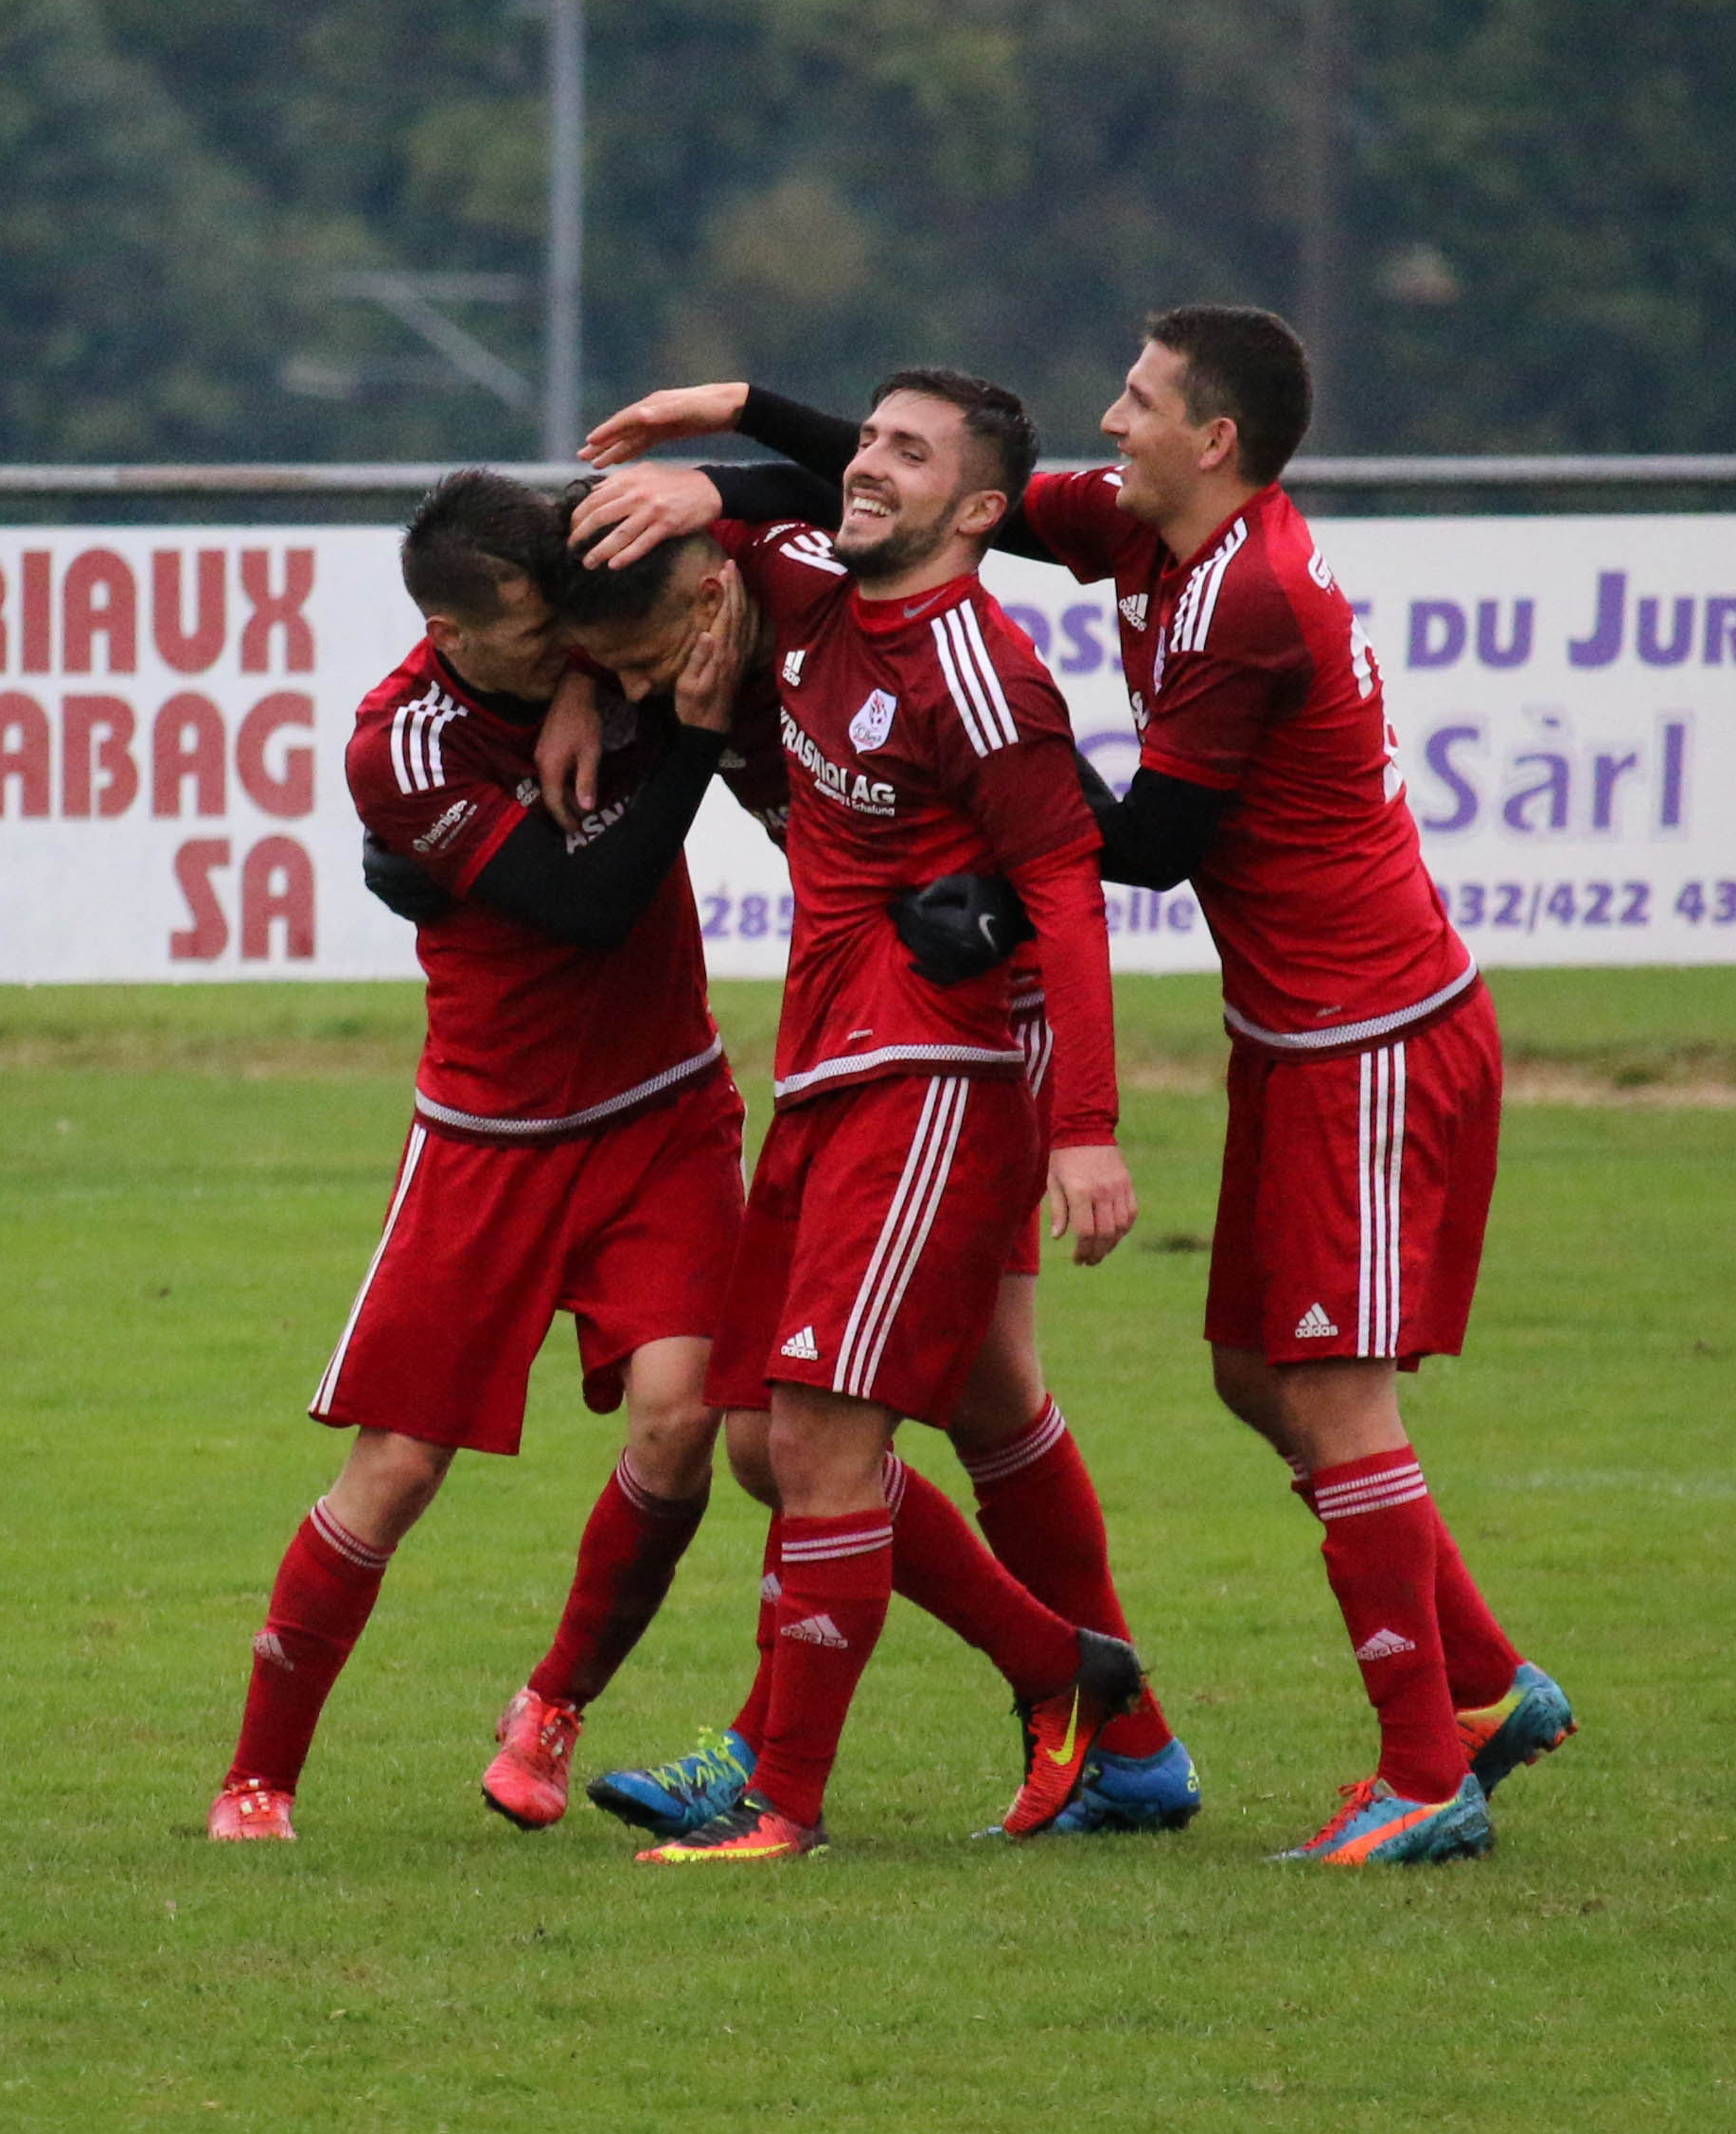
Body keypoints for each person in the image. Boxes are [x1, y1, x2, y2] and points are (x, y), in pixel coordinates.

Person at [574, 307, 1572, 1866]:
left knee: (1322, 1392)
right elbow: (930, 491)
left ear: (1215, 439)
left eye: (1140, 398)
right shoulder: (1146, 531)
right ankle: (1468, 1684)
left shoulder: (1252, 597)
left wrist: (984, 816)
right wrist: (735, 447)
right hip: (1292, 1027)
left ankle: (1421, 1758)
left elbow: (1143, 842)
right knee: (1243, 1376)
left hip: (1371, 1029)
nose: (1110, 419)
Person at [529, 490, 1202, 1845]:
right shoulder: (703, 642)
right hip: (851, 1043)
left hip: (949, 1044)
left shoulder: (858, 602)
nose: (645, 694)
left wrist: (1085, 1113)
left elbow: (1061, 854)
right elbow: (632, 587)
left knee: (827, 1430)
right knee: (950, 1401)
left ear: (717, 591)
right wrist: (575, 677)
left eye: (649, 661)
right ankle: (1110, 1721)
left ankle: (781, 1764)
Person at [204, 470, 756, 1844]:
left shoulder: (593, 621)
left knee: (688, 1420)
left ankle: (553, 1707)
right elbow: (584, 903)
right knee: (395, 1470)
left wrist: (591, 684)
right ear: (456, 633)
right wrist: (682, 729)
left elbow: (754, 524)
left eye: (579, 624)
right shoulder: (400, 743)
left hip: (661, 1106)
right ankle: (257, 1779)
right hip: (488, 1137)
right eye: (538, 637)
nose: (575, 639)